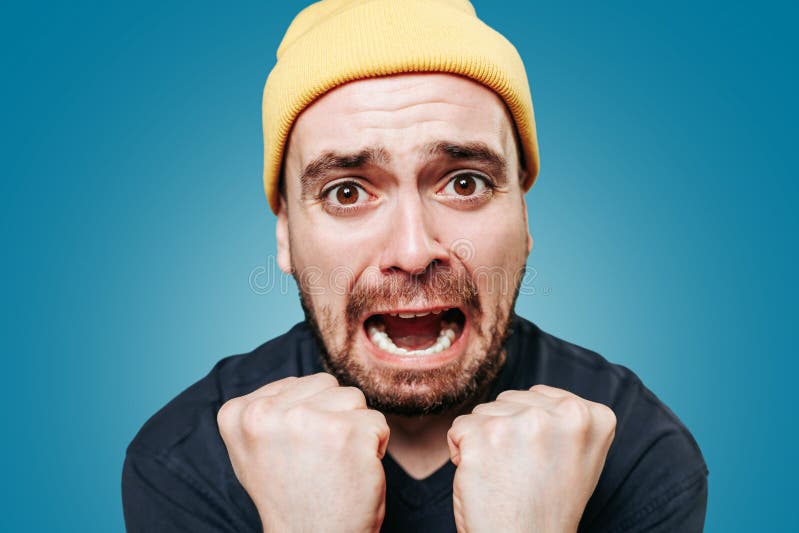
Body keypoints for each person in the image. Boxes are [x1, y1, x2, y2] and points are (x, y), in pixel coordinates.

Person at [121, 1, 708, 531]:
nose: (412, 250)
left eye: (465, 183)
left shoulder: (636, 455)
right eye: (347, 192)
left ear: (525, 218)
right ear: (285, 234)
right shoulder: (184, 463)